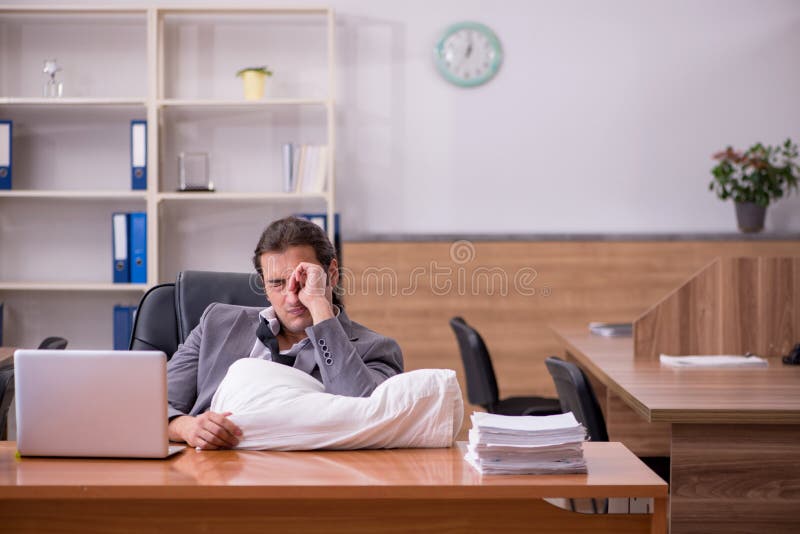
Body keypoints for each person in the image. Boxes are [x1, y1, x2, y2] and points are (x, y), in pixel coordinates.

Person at [166, 216, 404, 450]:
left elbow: (368, 419)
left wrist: (320, 306)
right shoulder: (216, 324)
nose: (292, 297)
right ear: (263, 285)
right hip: (213, 470)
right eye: (277, 284)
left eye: (302, 280)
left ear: (331, 274)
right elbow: (151, 405)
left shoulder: (377, 349)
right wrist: (185, 426)